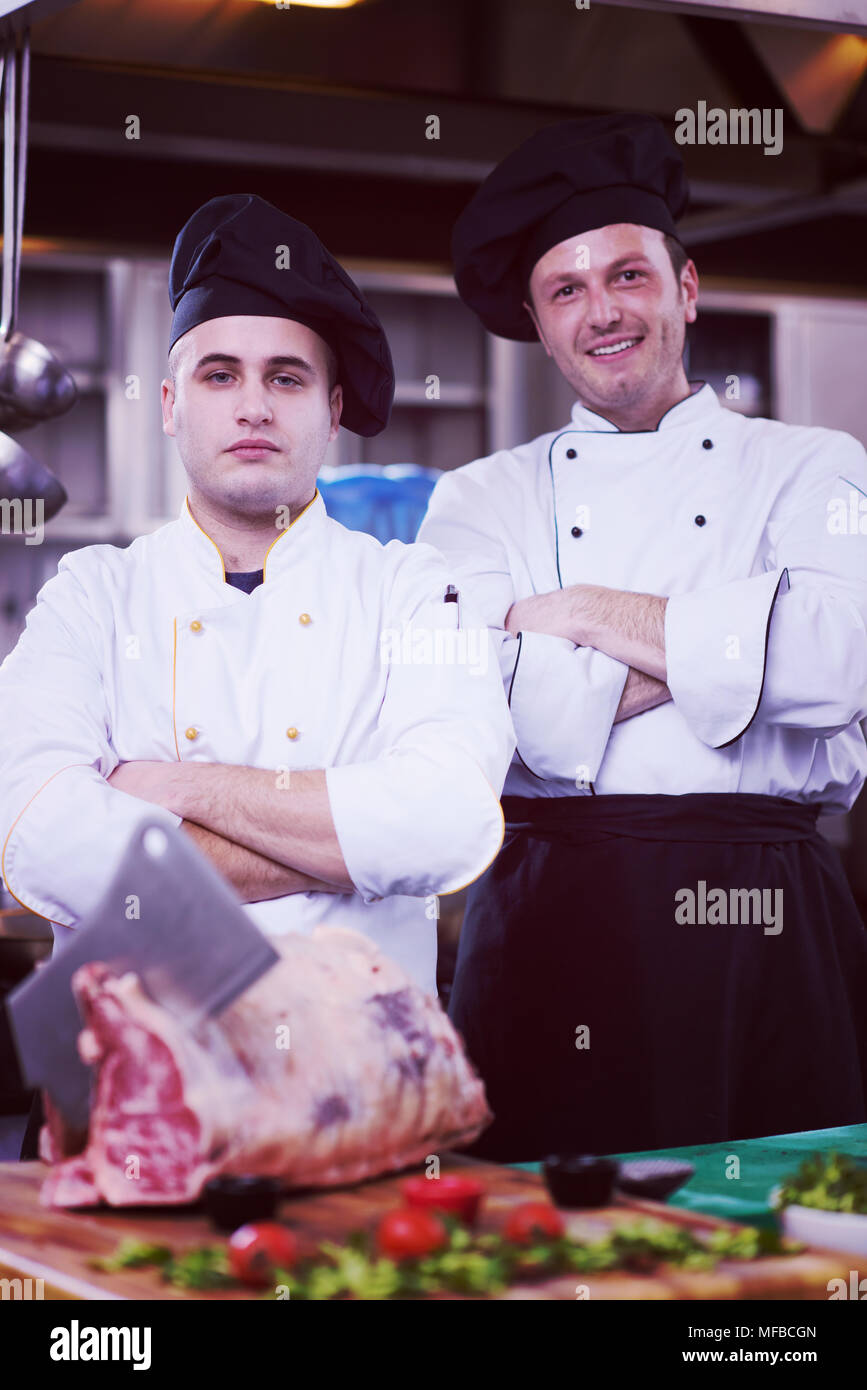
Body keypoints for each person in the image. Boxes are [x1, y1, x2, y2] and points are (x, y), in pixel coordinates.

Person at [417, 114, 867, 1161]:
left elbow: (839, 664)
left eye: (628, 275)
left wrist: (570, 618)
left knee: (773, 1250)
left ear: (686, 288)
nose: (602, 311)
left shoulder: (814, 465)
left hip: (767, 916)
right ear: (536, 317)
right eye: (566, 289)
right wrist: (742, 633)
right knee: (538, 1240)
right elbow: (474, 703)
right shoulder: (478, 499)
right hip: (548, 917)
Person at [0, 191, 515, 1013]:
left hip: (358, 1096)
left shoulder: (414, 592)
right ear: (170, 405)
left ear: (332, 409)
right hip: (139, 1095)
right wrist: (348, 845)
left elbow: (449, 821)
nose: (253, 405)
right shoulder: (91, 596)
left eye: (286, 376)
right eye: (219, 374)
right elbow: (36, 837)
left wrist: (180, 788)